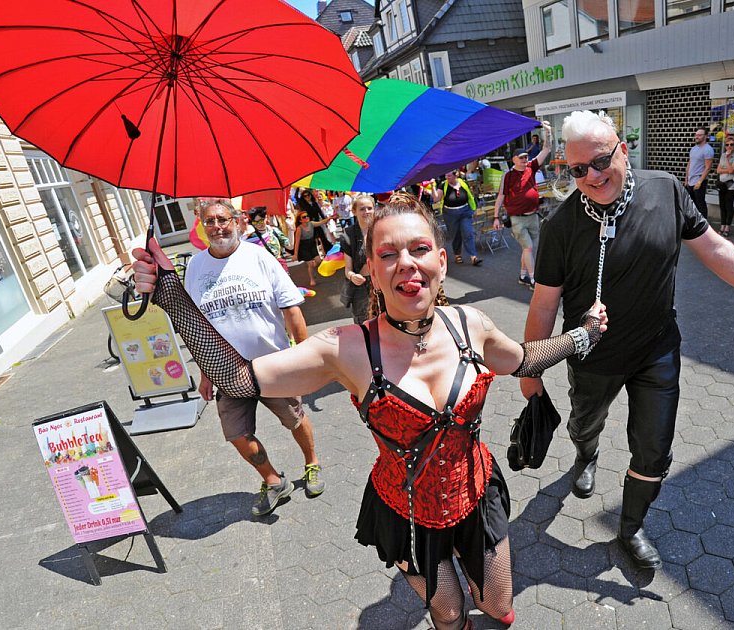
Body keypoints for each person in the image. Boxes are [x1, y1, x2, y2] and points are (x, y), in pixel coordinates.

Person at [131, 194, 608, 630]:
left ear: (441, 262)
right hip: (405, 511)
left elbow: (522, 359)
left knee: (499, 604)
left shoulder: (471, 324)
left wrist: (582, 334)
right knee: (448, 613)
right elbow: (237, 380)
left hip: (477, 494)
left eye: (419, 249)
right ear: (372, 272)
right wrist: (171, 294)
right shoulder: (345, 348)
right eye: (388, 254)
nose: (407, 264)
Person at [523, 110, 734, 570]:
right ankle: (586, 453)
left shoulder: (665, 190)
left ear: (623, 150)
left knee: (654, 449)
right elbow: (544, 305)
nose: (592, 177)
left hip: (657, 349)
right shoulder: (561, 225)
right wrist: (531, 370)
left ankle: (630, 527)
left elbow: (713, 247)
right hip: (593, 356)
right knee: (584, 422)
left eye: (600, 161)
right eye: (578, 170)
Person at [182, 201, 325, 518]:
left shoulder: (259, 257)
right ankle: (273, 480)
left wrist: (306, 356)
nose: (217, 227)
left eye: (223, 219)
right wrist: (205, 372)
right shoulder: (195, 268)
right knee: (236, 434)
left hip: (272, 364)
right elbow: (196, 326)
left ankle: (312, 462)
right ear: (202, 227)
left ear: (236, 222)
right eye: (210, 221)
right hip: (226, 371)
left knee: (295, 419)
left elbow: (291, 308)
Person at [493, 121, 552, 287]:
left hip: (533, 216)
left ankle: (522, 275)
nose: (525, 160)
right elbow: (501, 196)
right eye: (521, 158)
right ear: (513, 159)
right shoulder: (508, 175)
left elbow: (547, 149)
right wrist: (496, 217)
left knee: (529, 249)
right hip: (517, 219)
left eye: (526, 157)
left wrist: (547, 132)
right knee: (529, 248)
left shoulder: (531, 167)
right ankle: (533, 280)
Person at [339, 193, 376, 323]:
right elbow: (348, 269)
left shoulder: (381, 230)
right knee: (364, 322)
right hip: (361, 287)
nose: (366, 212)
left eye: (369, 208)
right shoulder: (348, 234)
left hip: (382, 283)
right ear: (354, 211)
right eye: (362, 209)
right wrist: (352, 276)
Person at [433, 170, 482, 267]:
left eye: (449, 176)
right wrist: (432, 187)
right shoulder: (443, 185)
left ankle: (473, 257)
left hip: (465, 211)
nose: (447, 177)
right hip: (450, 214)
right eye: (446, 175)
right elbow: (436, 199)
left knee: (468, 232)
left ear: (456, 175)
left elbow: (469, 196)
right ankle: (457, 254)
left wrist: (473, 209)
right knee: (455, 235)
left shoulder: (463, 182)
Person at [685, 127, 714, 219]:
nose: (697, 137)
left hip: (699, 180)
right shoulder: (693, 149)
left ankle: (703, 223)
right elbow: (689, 164)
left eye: (699, 135)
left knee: (700, 204)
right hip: (690, 180)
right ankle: (694, 222)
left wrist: (700, 182)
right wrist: (686, 179)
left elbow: (708, 167)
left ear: (705, 136)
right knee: (691, 204)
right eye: (696, 135)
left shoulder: (708, 149)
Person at [715, 134, 734, 236]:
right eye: (727, 145)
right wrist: (726, 168)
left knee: (729, 205)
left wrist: (727, 159)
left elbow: (732, 170)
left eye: (731, 144)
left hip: (731, 183)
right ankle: (722, 225)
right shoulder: (723, 155)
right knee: (722, 205)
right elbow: (718, 170)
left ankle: (727, 227)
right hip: (722, 183)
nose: (729, 147)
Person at [295, 189, 334, 254]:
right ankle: (317, 254)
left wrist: (325, 221)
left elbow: (320, 212)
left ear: (310, 195)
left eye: (308, 195)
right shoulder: (303, 205)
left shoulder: (314, 203)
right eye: (305, 196)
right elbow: (296, 197)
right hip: (310, 224)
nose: (307, 197)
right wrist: (298, 188)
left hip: (317, 223)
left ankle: (326, 253)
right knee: (314, 240)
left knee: (323, 238)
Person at [292, 211, 321, 287]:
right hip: (304, 247)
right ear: (300, 220)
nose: (307, 217)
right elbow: (297, 242)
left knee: (318, 260)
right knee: (310, 264)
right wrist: (295, 254)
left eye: (307, 216)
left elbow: (321, 222)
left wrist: (330, 218)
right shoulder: (299, 229)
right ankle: (312, 279)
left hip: (312, 244)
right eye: (304, 217)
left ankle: (311, 268)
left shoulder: (311, 224)